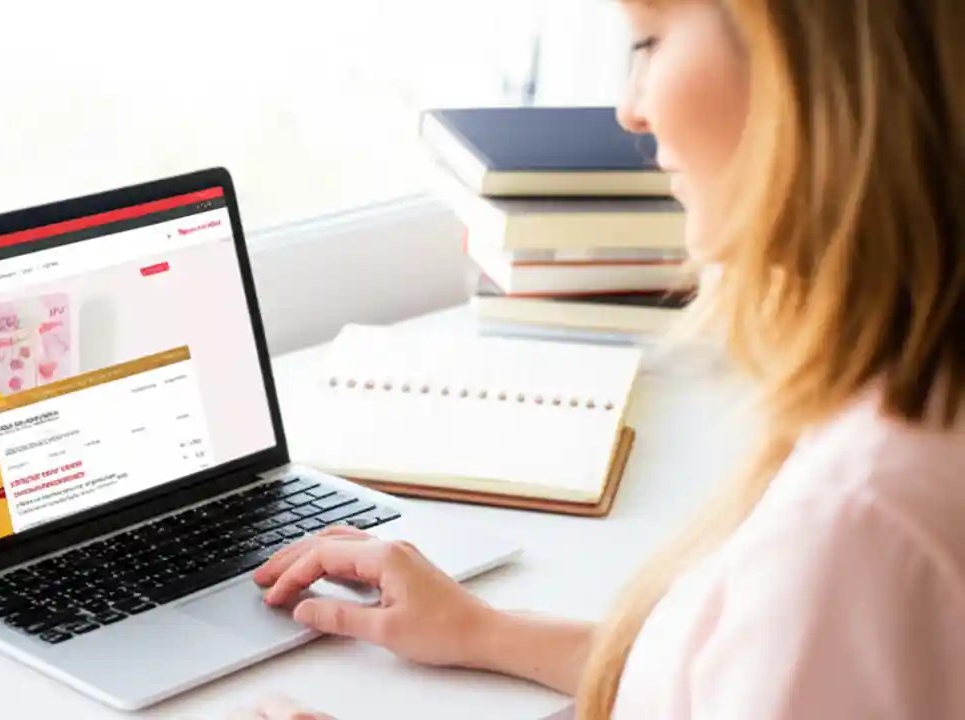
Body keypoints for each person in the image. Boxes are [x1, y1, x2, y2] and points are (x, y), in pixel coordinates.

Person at [229, 0, 965, 718]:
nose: (631, 110)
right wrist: (481, 630)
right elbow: (712, 681)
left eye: (649, 43)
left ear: (801, 64)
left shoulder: (860, 522)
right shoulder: (910, 414)